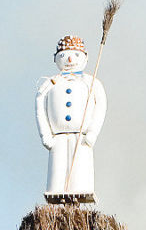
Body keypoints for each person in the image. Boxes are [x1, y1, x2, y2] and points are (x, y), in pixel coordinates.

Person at [35, 35, 107, 202]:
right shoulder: (49, 84)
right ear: (55, 58)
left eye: (75, 54)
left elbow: (100, 106)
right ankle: (57, 190)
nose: (69, 58)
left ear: (85, 57)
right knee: (58, 168)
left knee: (80, 167)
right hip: (57, 136)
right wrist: (45, 134)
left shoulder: (91, 82)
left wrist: (92, 133)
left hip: (81, 135)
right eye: (63, 55)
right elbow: (40, 107)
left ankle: (80, 190)